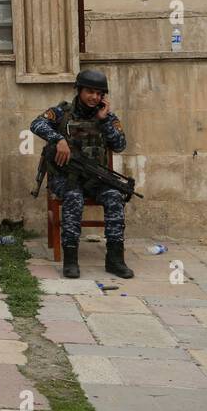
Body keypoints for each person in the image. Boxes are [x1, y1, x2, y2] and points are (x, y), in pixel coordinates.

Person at [30, 69, 130, 280]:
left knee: (114, 196)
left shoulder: (107, 117)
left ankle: (115, 259)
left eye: (99, 93)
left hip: (96, 179)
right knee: (73, 197)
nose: (94, 97)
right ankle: (71, 259)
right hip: (65, 178)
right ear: (79, 90)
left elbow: (120, 145)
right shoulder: (61, 112)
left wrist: (103, 121)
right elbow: (36, 124)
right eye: (90, 92)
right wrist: (58, 139)